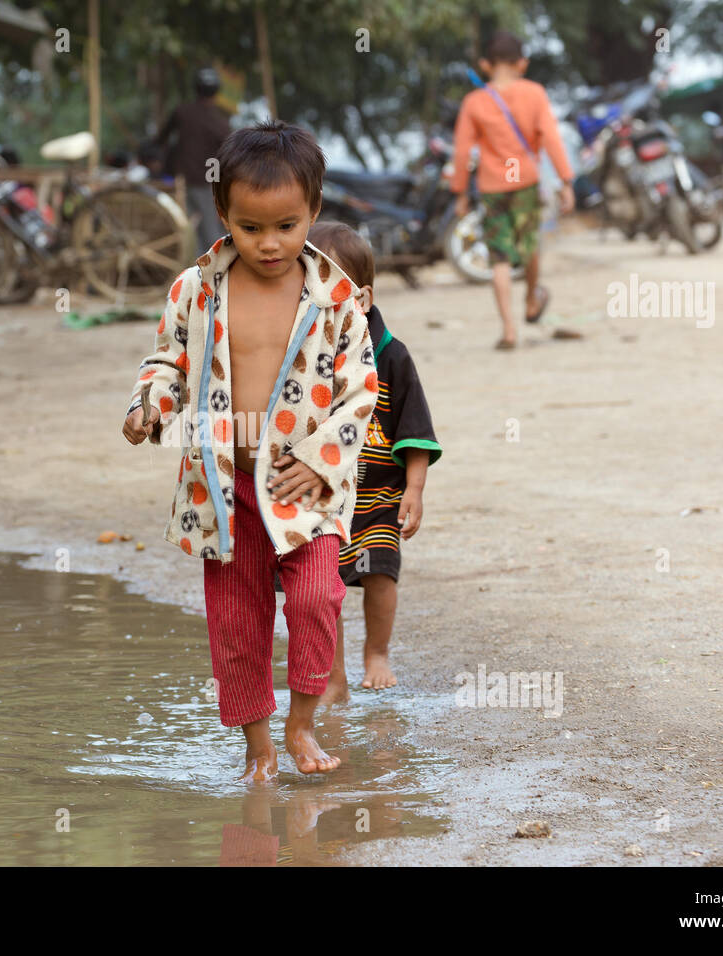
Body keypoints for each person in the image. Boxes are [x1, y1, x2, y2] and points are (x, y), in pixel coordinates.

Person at [121, 121, 378, 781]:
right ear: (223, 215)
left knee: (319, 596)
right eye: (251, 227)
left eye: (288, 226)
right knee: (238, 622)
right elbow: (167, 362)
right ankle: (257, 746)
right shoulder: (195, 289)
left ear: (314, 212)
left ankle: (302, 722)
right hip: (223, 481)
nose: (270, 244)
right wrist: (149, 405)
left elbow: (360, 391)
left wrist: (320, 461)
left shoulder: (337, 300)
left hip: (305, 484)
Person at [303, 222, 440, 701]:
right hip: (321, 500)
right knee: (325, 590)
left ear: (360, 299)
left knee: (381, 573)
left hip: (380, 496)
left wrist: (415, 490)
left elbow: (415, 429)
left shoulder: (391, 356)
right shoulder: (303, 359)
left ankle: (377, 652)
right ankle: (333, 673)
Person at [450, 30, 575, 350]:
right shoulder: (534, 93)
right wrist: (565, 181)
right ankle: (532, 301)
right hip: (526, 183)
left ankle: (509, 330)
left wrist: (460, 193)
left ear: (485, 65)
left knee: (500, 258)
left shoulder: (474, 102)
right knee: (530, 245)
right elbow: (550, 138)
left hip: (493, 186)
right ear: (522, 63)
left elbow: (462, 152)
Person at [156, 67, 233, 250]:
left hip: (180, 181)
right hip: (206, 182)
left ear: (196, 88)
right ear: (216, 92)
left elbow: (161, 139)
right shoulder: (221, 123)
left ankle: (195, 269)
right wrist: (215, 184)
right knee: (209, 232)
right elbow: (224, 158)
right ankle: (211, 270)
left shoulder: (182, 112)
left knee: (188, 229)